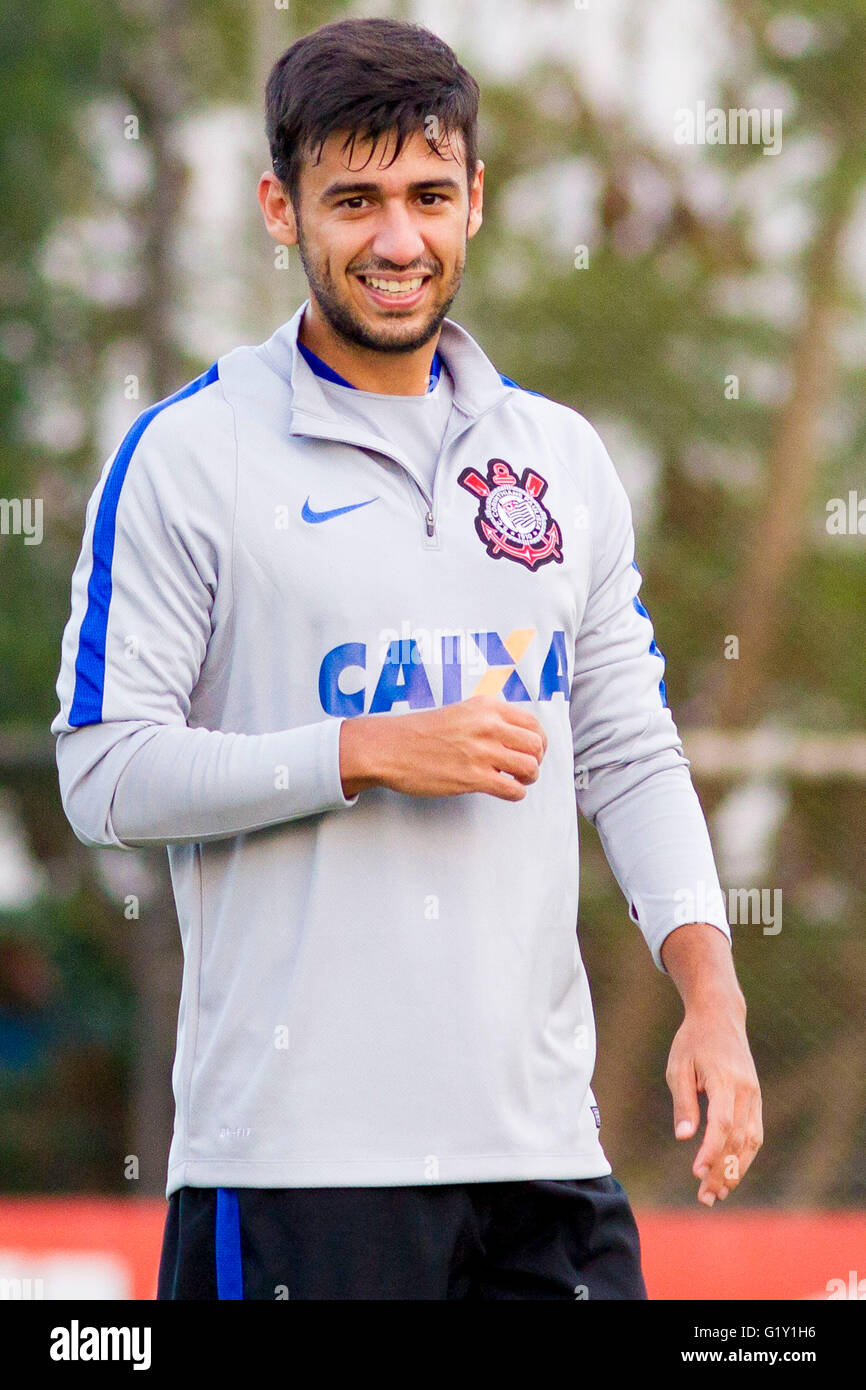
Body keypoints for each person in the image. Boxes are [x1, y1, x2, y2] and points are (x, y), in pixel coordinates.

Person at [51, 16, 762, 1301]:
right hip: (292, 1173)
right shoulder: (187, 456)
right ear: (281, 208)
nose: (397, 240)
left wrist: (710, 993)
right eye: (354, 200)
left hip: (543, 1165)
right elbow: (103, 774)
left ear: (475, 202)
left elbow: (629, 753)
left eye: (429, 196)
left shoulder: (557, 458)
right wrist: (361, 751)